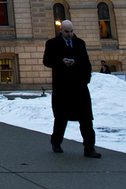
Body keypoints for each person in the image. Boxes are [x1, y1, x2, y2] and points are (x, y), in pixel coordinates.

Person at [43, 20, 101, 158]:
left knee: (86, 118)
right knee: (61, 118)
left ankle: (89, 147)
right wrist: (61, 62)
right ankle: (56, 141)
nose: (70, 34)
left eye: (71, 31)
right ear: (61, 31)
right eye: (67, 32)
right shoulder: (52, 44)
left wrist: (86, 79)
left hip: (79, 86)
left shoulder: (80, 43)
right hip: (63, 87)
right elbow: (47, 61)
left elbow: (86, 63)